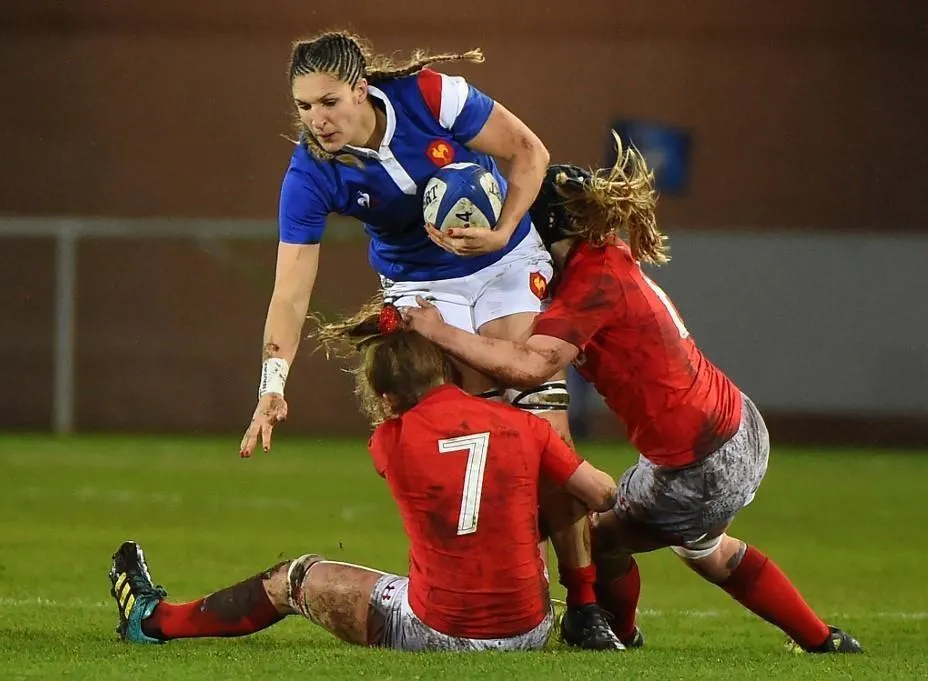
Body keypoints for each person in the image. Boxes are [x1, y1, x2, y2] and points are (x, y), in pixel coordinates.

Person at [403, 134, 863, 654]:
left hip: (698, 461)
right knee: (706, 549)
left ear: (547, 223)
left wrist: (434, 328)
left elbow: (530, 367)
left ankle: (616, 636)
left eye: (524, 210)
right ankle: (824, 642)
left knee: (595, 540)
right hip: (732, 425)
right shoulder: (605, 255)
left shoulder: (589, 284)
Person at [239, 31, 618, 648]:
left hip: (501, 260)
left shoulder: (429, 97)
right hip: (419, 291)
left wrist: (501, 232)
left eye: (328, 102)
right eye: (304, 107)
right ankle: (488, 585)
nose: (317, 120)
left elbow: (529, 152)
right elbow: (289, 292)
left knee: (541, 418)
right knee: (459, 433)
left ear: (361, 89)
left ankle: (583, 600)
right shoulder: (310, 174)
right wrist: (272, 385)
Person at [109, 304, 617, 651]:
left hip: (439, 631)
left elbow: (427, 442)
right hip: (530, 629)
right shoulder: (525, 426)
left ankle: (155, 622)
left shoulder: (389, 442)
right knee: (556, 492)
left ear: (388, 397)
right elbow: (603, 493)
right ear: (446, 368)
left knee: (293, 579)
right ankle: (595, 612)